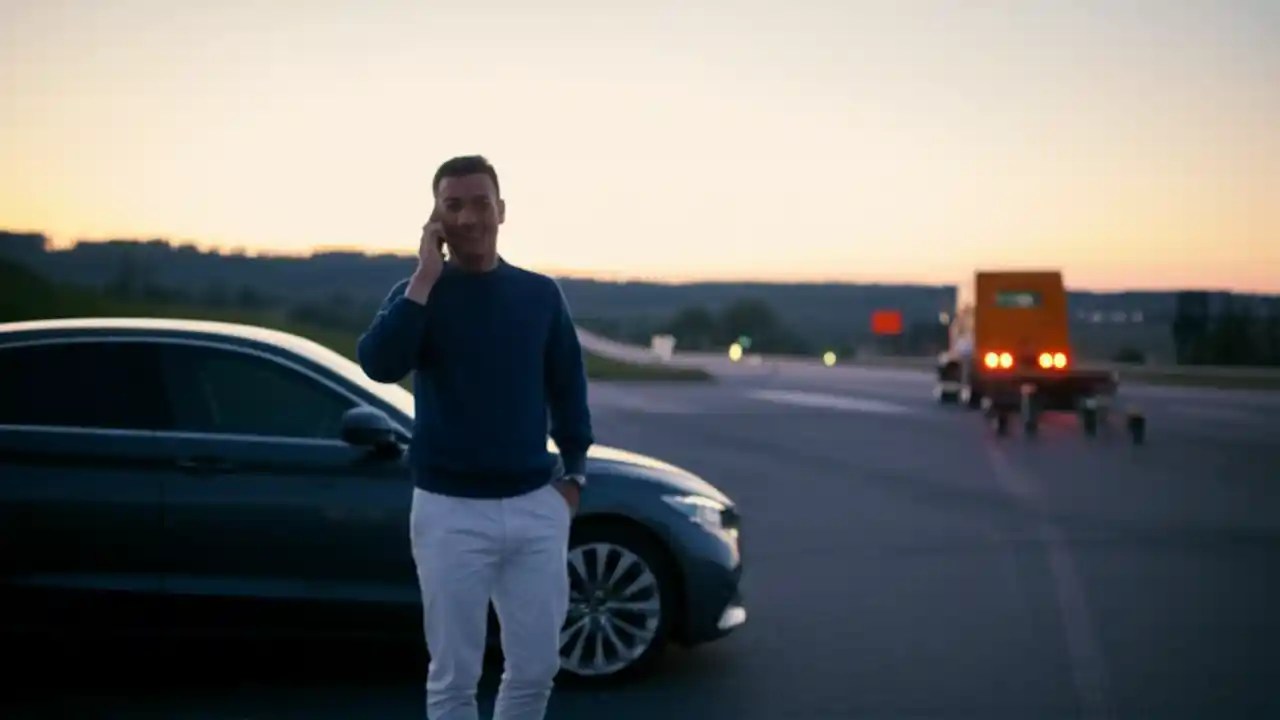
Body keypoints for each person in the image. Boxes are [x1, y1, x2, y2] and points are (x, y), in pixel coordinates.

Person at [357, 155, 593, 720]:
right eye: (453, 205)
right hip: (449, 511)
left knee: (536, 669)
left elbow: (568, 386)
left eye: (480, 203)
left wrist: (575, 476)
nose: (468, 217)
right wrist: (424, 277)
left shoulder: (539, 294)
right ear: (435, 218)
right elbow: (379, 364)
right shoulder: (417, 294)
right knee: (454, 678)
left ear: (501, 210)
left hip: (535, 505)